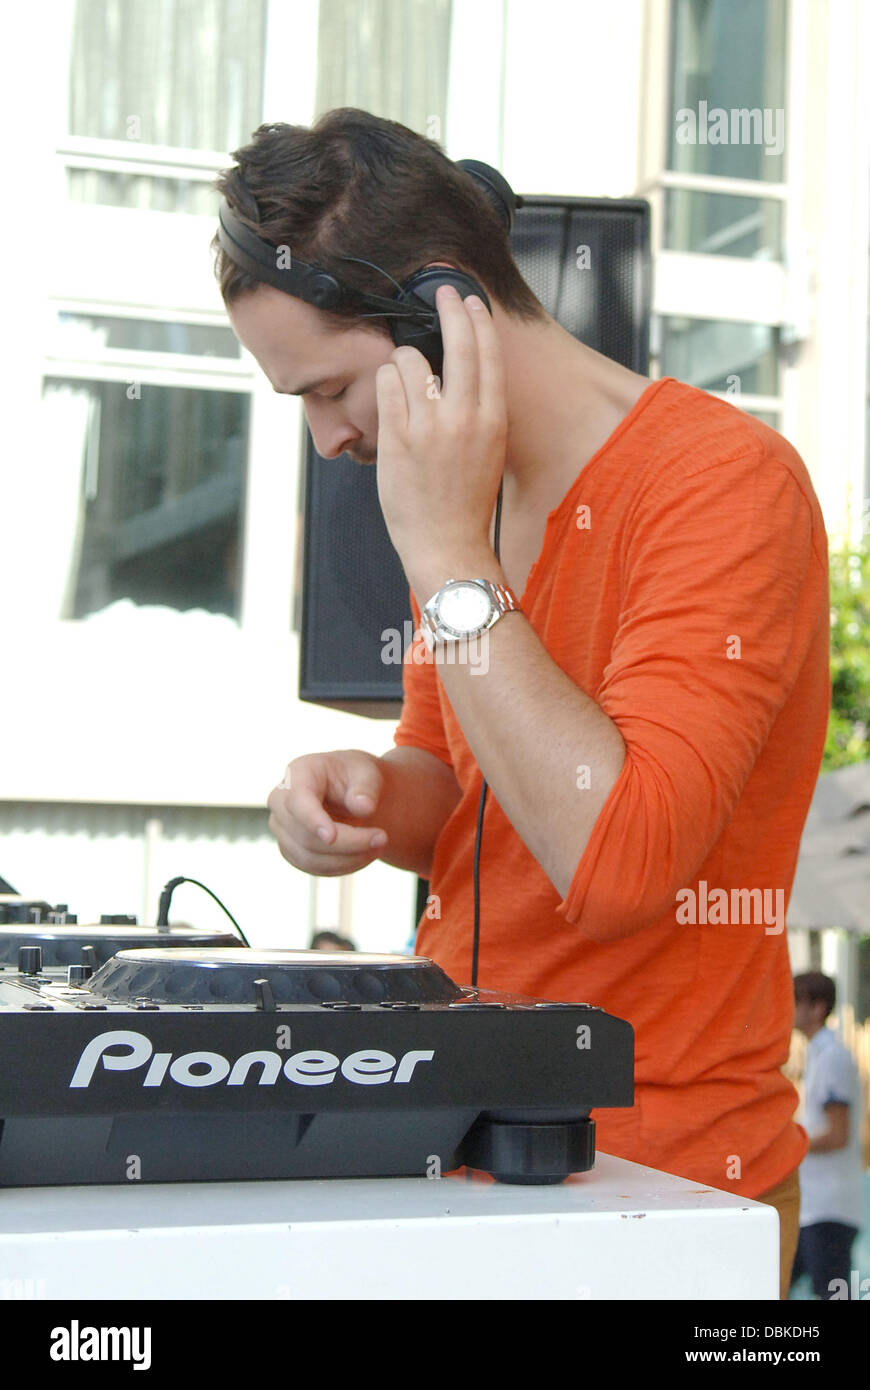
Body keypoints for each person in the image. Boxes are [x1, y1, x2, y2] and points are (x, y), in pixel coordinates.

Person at [212, 108, 830, 1299]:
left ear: (444, 310)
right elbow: (454, 783)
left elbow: (617, 860)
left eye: (331, 386)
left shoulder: (722, 485)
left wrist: (451, 565)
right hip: (458, 1161)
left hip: (664, 1191)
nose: (327, 435)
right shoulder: (460, 511)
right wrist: (369, 798)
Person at [789, 972, 865, 1299]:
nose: (788, 1008)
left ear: (817, 1007)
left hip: (830, 1207)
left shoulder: (833, 1056)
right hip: (814, 1205)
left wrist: (787, 1144)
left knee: (833, 1294)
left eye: (795, 1001)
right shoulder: (819, 1054)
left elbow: (837, 1135)